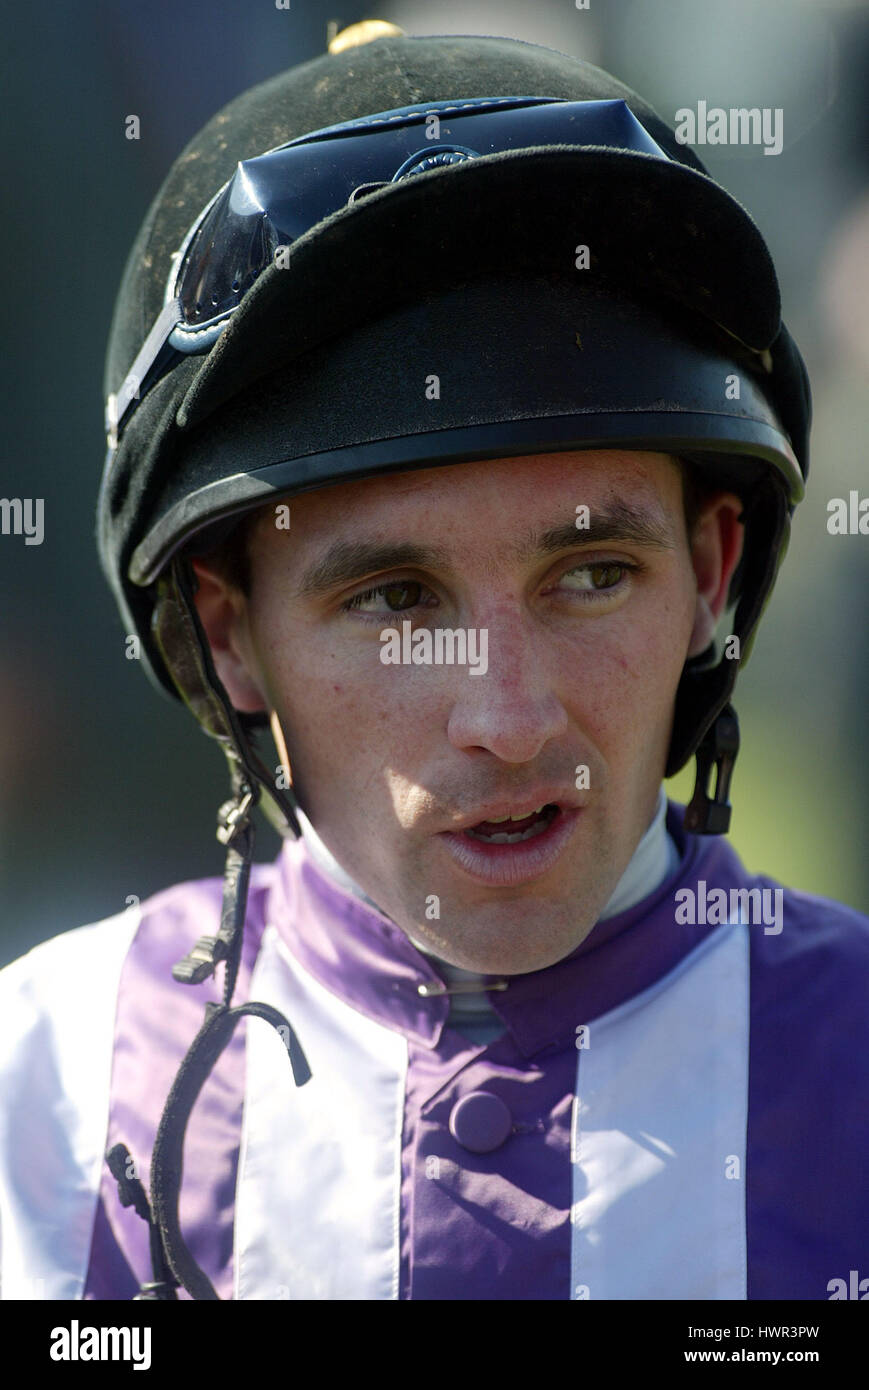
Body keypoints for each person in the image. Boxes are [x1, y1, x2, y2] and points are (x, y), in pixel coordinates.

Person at [1, 22, 867, 1303]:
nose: (509, 720)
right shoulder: (43, 1090)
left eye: (589, 576)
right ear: (229, 632)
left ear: (711, 574)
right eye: (394, 599)